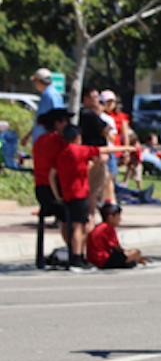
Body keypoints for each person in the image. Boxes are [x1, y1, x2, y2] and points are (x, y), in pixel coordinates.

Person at [49, 124, 133, 272]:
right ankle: (77, 256)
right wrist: (126, 148)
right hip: (80, 193)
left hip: (67, 194)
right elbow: (103, 150)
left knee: (72, 225)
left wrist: (57, 194)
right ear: (77, 137)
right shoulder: (79, 150)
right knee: (78, 226)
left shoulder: (61, 153)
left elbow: (52, 175)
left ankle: (76, 254)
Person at [32, 109, 72, 253]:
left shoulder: (39, 141)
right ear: (58, 124)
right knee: (77, 216)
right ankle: (76, 251)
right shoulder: (59, 141)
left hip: (41, 190)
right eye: (66, 121)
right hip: (55, 189)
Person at [78, 86, 112, 222]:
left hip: (93, 155)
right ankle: (90, 218)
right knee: (94, 190)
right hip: (95, 155)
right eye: (94, 97)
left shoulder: (82, 113)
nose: (98, 100)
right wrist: (99, 112)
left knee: (98, 189)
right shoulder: (89, 114)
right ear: (85, 99)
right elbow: (106, 129)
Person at [86, 202, 147, 268]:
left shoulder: (98, 227)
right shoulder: (107, 228)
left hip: (92, 259)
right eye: (118, 216)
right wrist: (128, 254)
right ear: (110, 217)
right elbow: (116, 247)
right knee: (136, 252)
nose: (120, 219)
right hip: (103, 260)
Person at [21, 67, 65, 148]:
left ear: (38, 82)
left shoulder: (49, 95)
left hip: (47, 142)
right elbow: (40, 119)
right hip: (43, 141)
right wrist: (28, 136)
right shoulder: (47, 94)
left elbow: (57, 117)